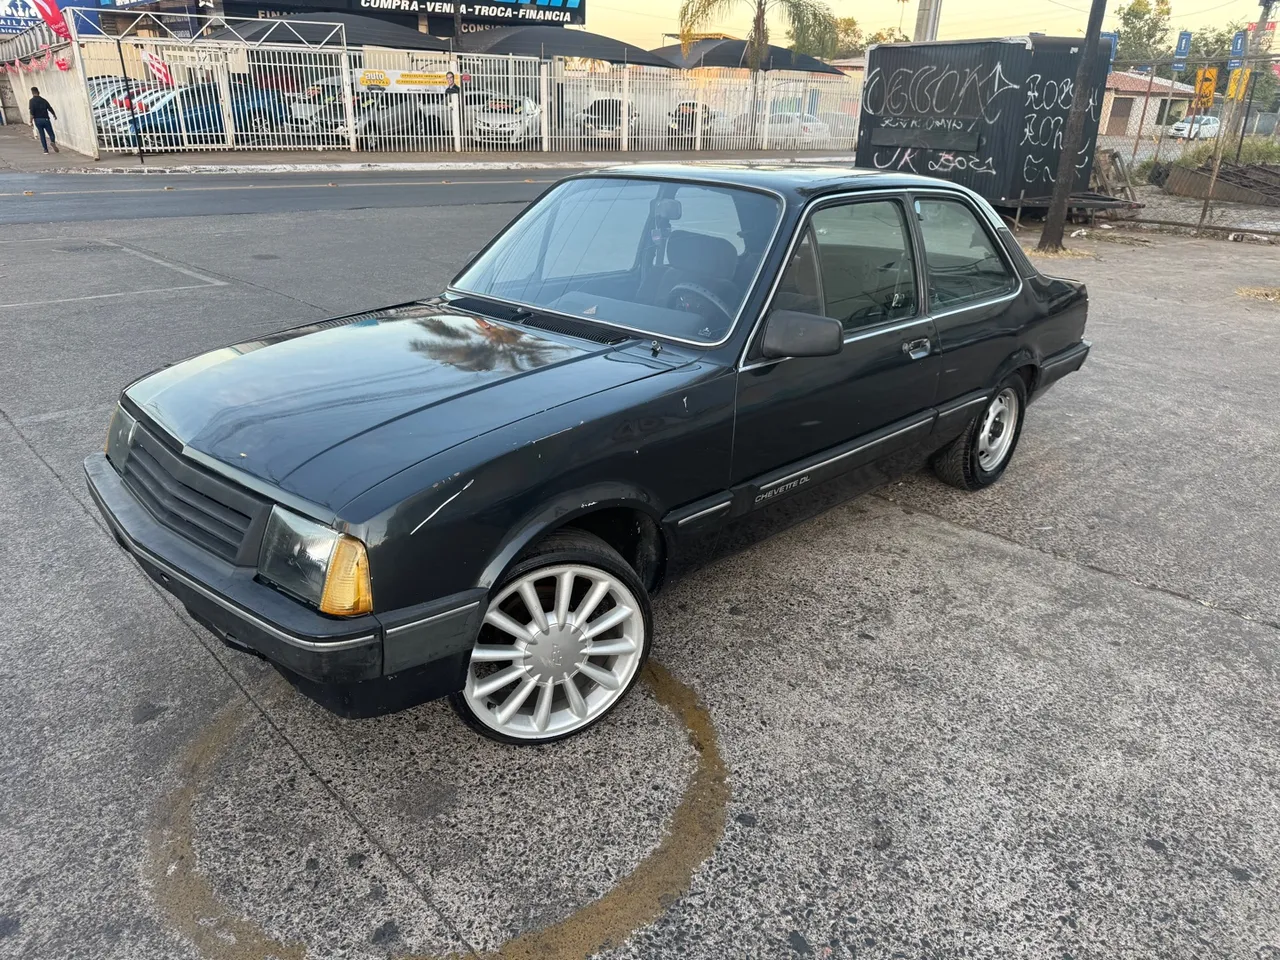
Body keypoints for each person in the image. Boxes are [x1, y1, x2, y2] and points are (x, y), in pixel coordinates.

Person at [28, 87, 59, 154]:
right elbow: (50, 108)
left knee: (42, 135)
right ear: (38, 92)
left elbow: (32, 112)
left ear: (32, 93)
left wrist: (30, 121)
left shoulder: (31, 101)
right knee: (51, 133)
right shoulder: (43, 100)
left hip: (37, 120)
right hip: (46, 119)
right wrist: (54, 115)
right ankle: (52, 142)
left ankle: (45, 150)